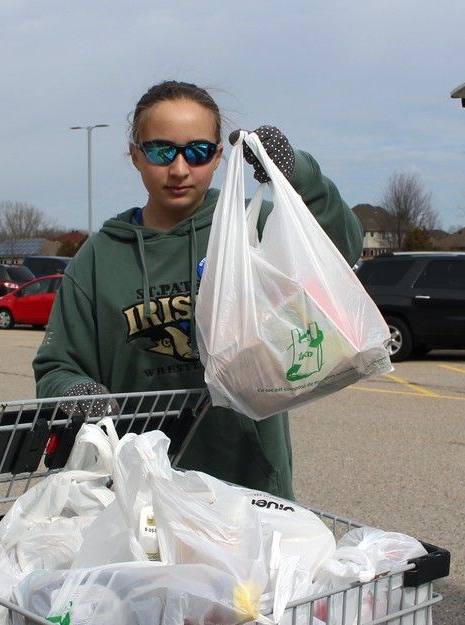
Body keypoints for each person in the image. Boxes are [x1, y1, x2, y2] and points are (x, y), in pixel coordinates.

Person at [33, 80, 362, 500]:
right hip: (138, 498)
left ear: (219, 156)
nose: (180, 168)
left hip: (249, 488)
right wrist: (74, 394)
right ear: (135, 155)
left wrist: (298, 173)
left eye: (198, 151)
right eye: (161, 150)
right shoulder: (99, 259)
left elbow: (340, 247)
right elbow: (57, 365)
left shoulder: (249, 227)